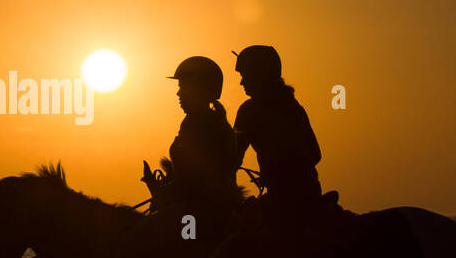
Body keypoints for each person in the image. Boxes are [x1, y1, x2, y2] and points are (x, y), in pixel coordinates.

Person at [141, 56, 240, 238]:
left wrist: (161, 191)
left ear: (200, 88)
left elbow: (196, 180)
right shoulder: (204, 120)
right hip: (205, 210)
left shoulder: (200, 123)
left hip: (199, 216)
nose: (178, 93)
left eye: (182, 86)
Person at [232, 45, 331, 227]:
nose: (241, 83)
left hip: (282, 203)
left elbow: (232, 159)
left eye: (244, 76)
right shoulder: (293, 107)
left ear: (259, 75)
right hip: (311, 194)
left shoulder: (249, 111)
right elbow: (315, 154)